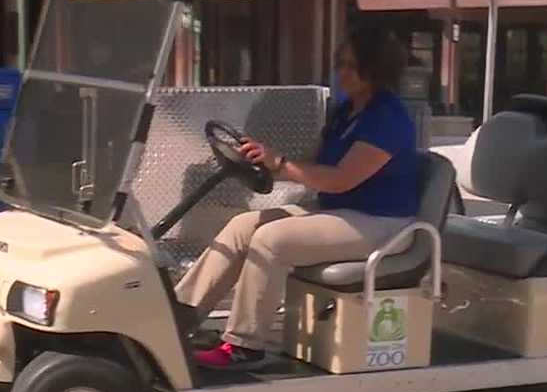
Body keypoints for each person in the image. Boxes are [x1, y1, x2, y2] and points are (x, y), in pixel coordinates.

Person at [174, 25, 419, 371]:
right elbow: (313, 162)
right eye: (341, 63)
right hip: (343, 212)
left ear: (376, 70)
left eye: (352, 66)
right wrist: (265, 162)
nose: (342, 73)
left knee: (271, 240)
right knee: (242, 226)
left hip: (382, 224)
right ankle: (178, 319)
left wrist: (282, 164)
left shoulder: (387, 119)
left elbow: (339, 180)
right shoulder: (347, 112)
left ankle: (244, 346)